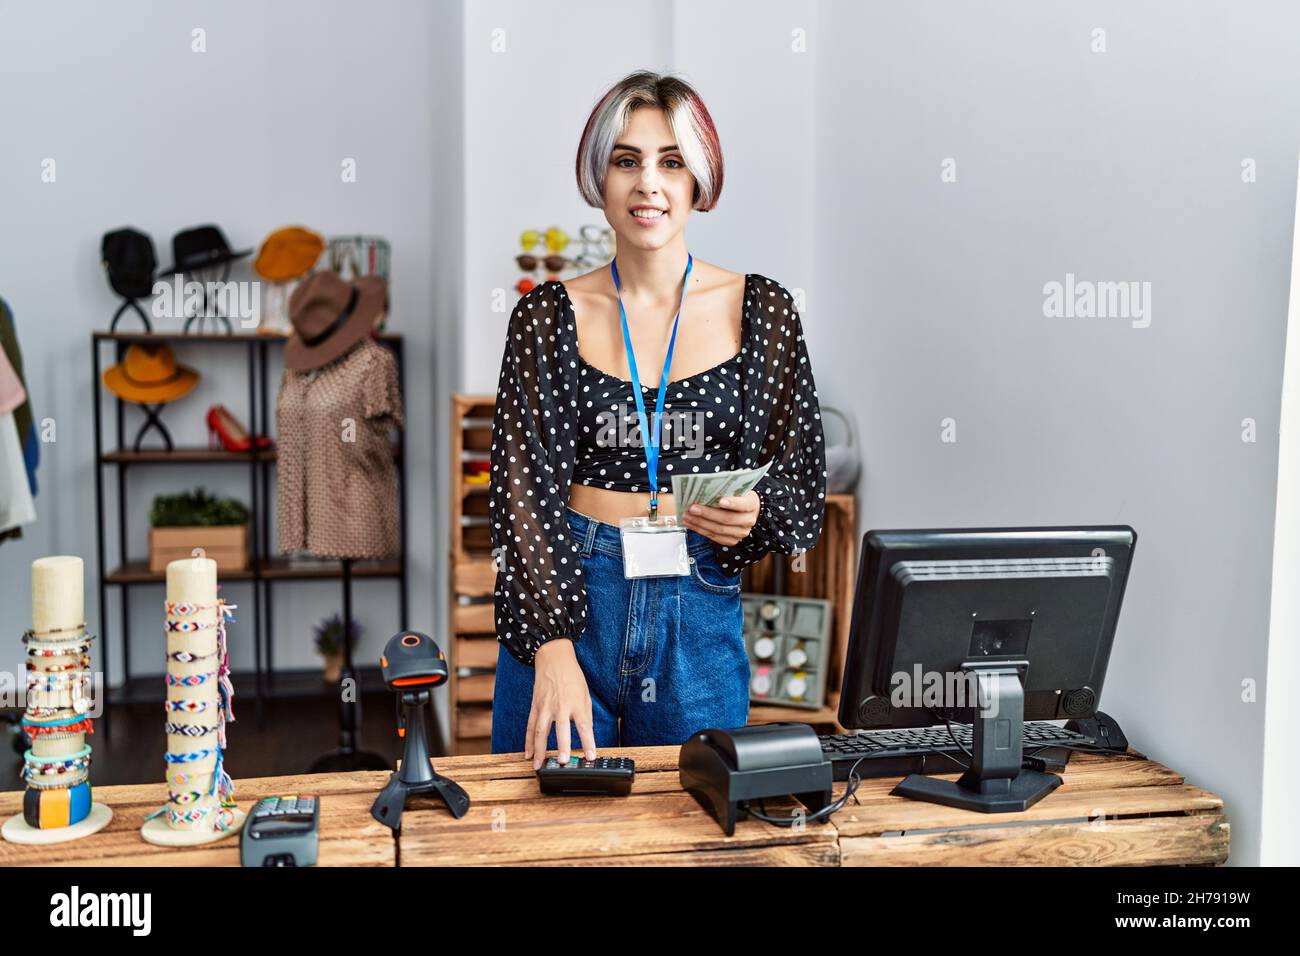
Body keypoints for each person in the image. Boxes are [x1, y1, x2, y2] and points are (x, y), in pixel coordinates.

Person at [489, 70, 826, 766]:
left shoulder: (763, 312)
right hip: (571, 596)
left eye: (672, 161)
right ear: (599, 179)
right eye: (627, 160)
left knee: (696, 829)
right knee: (546, 830)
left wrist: (755, 511)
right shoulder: (547, 316)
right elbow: (520, 495)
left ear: (699, 180)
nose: (649, 183)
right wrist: (552, 649)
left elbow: (802, 487)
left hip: (697, 606)